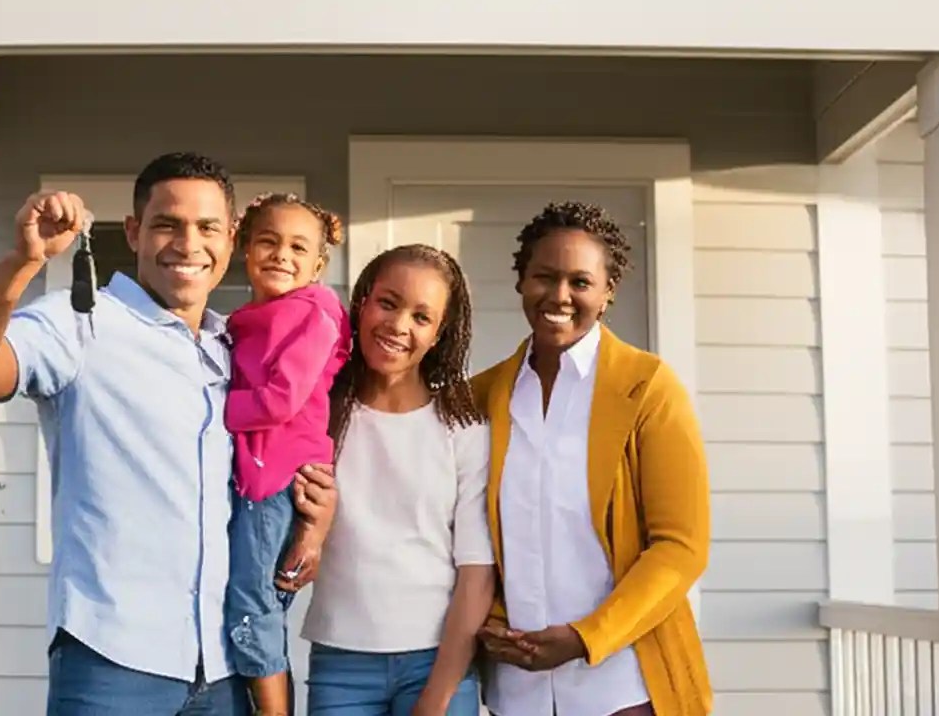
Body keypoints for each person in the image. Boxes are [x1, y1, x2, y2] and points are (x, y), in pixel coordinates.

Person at [0, 152, 338, 716]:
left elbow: (269, 462)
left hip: (223, 669)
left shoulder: (233, 348)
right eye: (168, 224)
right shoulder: (79, 325)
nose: (189, 244)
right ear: (136, 231)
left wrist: (316, 521)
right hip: (113, 662)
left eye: (208, 227)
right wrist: (22, 263)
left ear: (231, 237)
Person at [470, 201, 712, 716]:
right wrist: (489, 617)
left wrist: (584, 638)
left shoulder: (648, 388)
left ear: (607, 293)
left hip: (624, 682)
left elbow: (681, 546)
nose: (560, 295)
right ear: (521, 281)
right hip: (517, 691)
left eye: (580, 281)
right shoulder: (483, 397)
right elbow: (468, 532)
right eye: (544, 276)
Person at [297, 244, 495, 716]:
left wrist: (439, 696)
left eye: (421, 317)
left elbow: (476, 572)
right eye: (388, 303)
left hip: (437, 660)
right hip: (339, 663)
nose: (399, 326)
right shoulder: (318, 413)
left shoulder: (463, 430)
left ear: (439, 333)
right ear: (363, 301)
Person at [222, 192, 351, 716]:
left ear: (318, 265)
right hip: (258, 470)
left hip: (278, 477)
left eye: (299, 247)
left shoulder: (313, 310)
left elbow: (280, 398)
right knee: (255, 606)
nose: (282, 255)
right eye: (268, 242)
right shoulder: (249, 317)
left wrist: (204, 402)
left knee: (251, 609)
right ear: (244, 248)